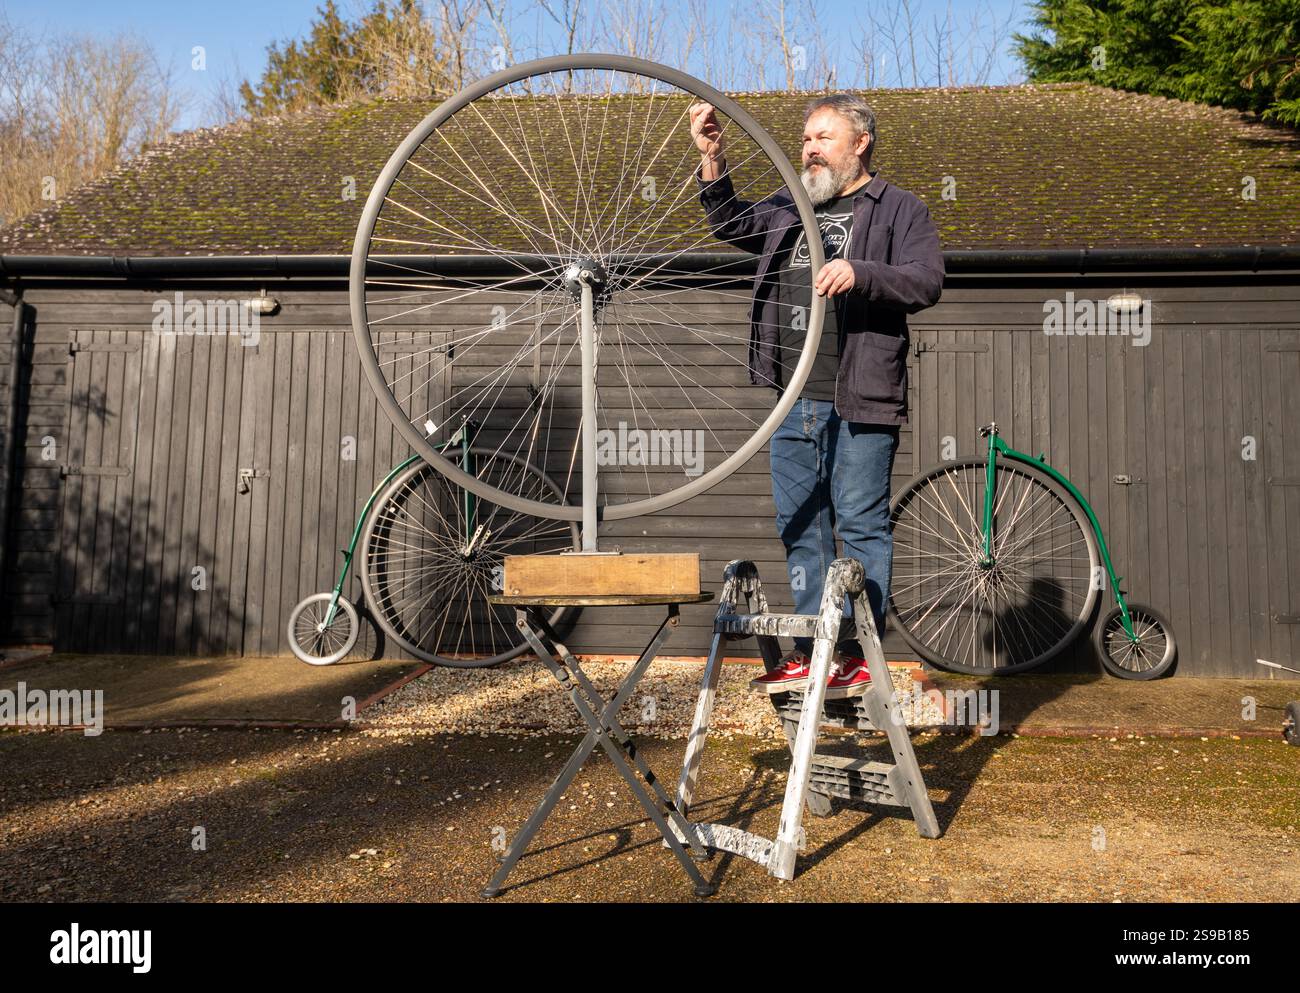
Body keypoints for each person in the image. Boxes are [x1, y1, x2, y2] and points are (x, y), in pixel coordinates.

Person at [690, 94, 944, 698]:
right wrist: (712, 156)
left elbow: (927, 279)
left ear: (860, 144)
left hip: (861, 394)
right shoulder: (791, 204)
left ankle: (856, 655)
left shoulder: (899, 209)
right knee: (800, 523)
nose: (808, 148)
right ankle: (813, 651)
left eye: (823, 138)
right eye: (805, 138)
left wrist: (863, 273)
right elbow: (730, 224)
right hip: (793, 395)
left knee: (858, 525)